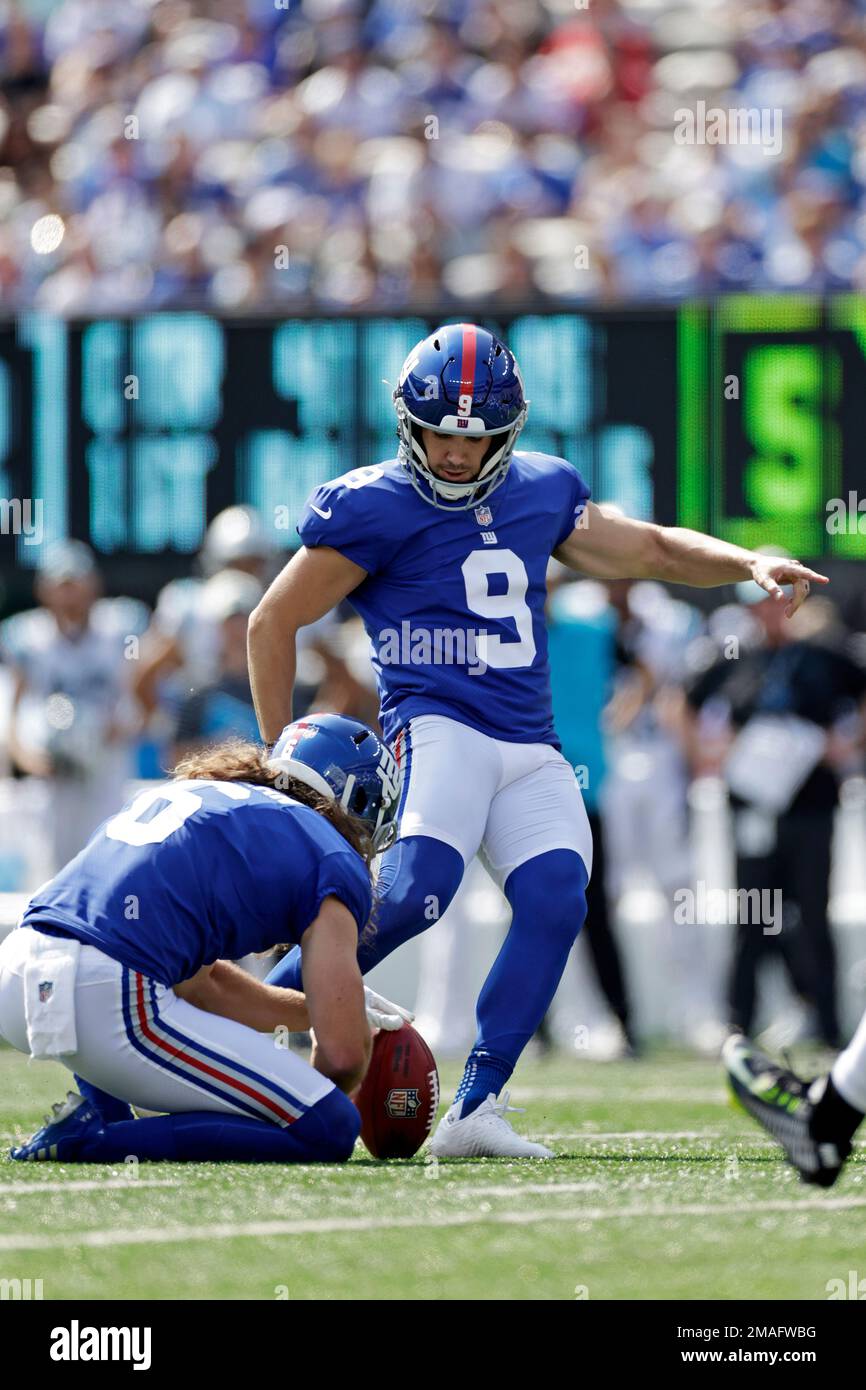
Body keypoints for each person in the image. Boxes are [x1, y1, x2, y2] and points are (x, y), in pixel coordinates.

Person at [247, 321, 826, 1159]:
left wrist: (746, 563)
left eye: (473, 439)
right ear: (410, 424)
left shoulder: (542, 490)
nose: (454, 454)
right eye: (440, 433)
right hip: (434, 723)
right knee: (416, 893)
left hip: (529, 740)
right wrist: (282, 762)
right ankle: (246, 1019)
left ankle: (478, 1107)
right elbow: (275, 621)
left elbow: (654, 550)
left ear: (509, 433)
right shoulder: (370, 504)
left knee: (558, 899)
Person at [0, 715, 405, 1164]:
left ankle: (100, 1129)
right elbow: (344, 1055)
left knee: (128, 1111)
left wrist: (325, 1008)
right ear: (360, 801)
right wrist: (335, 1053)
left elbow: (203, 986)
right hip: (107, 990)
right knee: (329, 1127)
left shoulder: (193, 796)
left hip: (18, 972)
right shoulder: (330, 854)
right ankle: (91, 1142)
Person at [685, 573, 866, 1048]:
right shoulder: (736, 658)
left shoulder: (825, 655)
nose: (768, 613)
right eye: (759, 605)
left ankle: (826, 1024)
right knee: (753, 913)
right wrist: (707, 755)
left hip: (810, 805)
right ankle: (738, 1022)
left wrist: (846, 745)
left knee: (811, 911)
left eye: (776, 603)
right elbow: (682, 702)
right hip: (752, 806)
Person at [2, 540, 144, 871]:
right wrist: (25, 756)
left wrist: (126, 724)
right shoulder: (28, 638)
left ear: (93, 584)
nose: (69, 594)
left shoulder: (120, 628)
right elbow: (13, 704)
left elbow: (143, 689)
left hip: (105, 762)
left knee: (111, 853)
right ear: (44, 589)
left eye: (75, 583)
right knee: (53, 864)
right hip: (54, 770)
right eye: (61, 585)